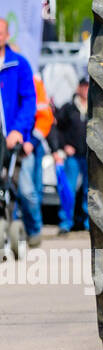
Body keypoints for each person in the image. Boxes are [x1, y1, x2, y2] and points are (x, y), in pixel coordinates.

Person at [0, 19, 36, 216]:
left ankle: (22, 230)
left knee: (18, 189)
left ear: (6, 36)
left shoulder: (19, 64)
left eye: (0, 32)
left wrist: (17, 130)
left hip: (12, 138)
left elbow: (29, 101)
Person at [15, 75, 53, 246]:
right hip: (6, 143)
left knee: (29, 191)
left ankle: (34, 230)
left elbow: (45, 116)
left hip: (28, 145)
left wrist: (31, 142)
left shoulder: (32, 80)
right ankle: (12, 228)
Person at [50, 76, 89, 234]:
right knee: (68, 190)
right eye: (83, 86)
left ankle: (89, 224)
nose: (86, 90)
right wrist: (63, 146)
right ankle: (66, 222)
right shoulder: (69, 108)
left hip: (89, 157)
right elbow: (56, 128)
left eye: (88, 87)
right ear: (78, 88)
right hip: (72, 157)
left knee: (89, 191)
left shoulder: (94, 108)